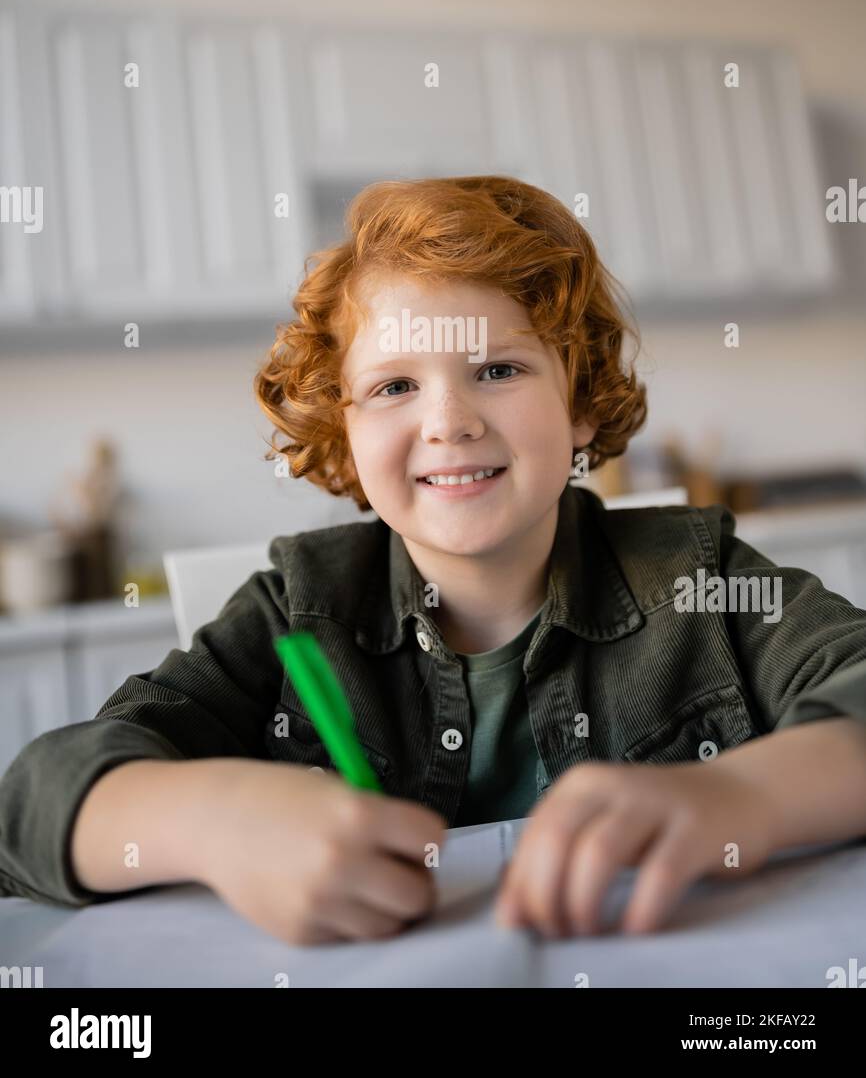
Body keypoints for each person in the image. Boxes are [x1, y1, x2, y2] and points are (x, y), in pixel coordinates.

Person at [2, 175, 866, 946]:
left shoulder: (700, 576)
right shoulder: (296, 609)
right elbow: (34, 803)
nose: (449, 421)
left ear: (581, 407)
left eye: (497, 368)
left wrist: (740, 800)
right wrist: (215, 820)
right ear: (343, 443)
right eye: (394, 386)